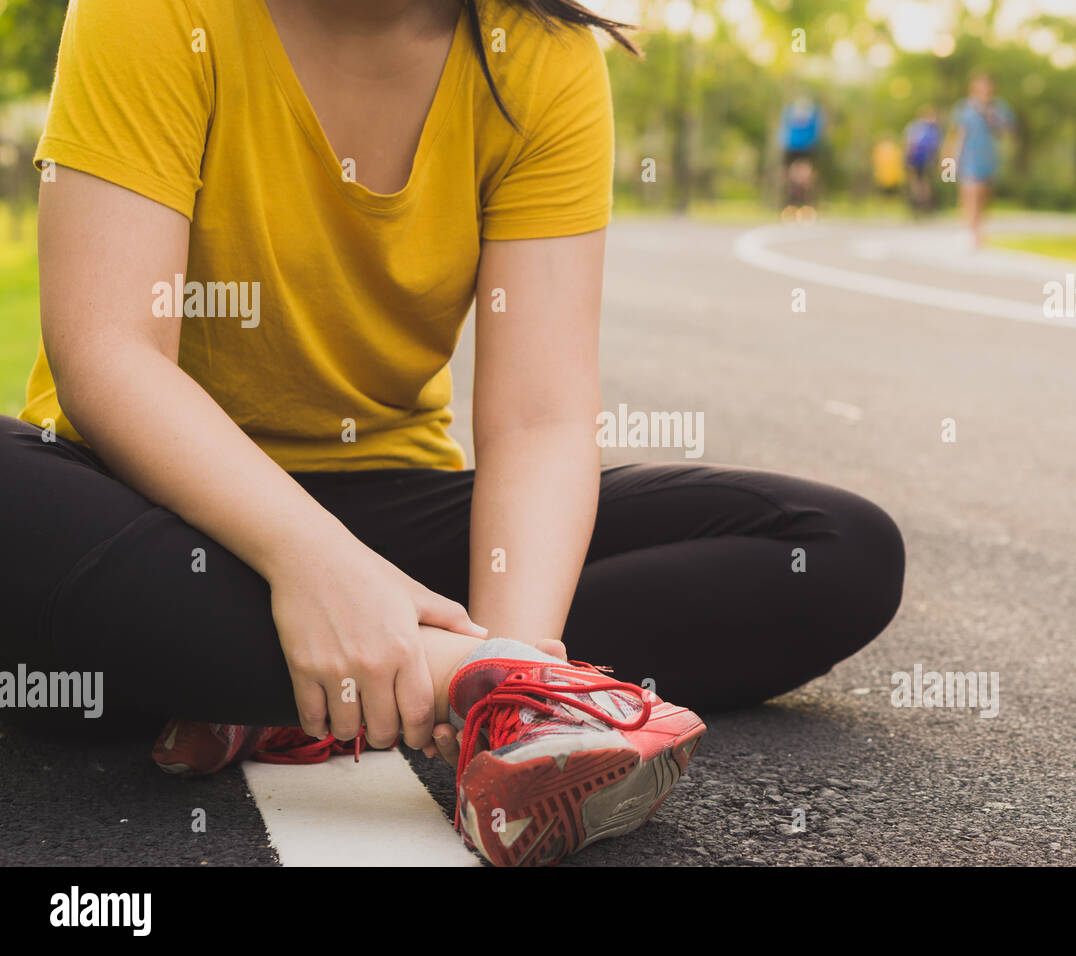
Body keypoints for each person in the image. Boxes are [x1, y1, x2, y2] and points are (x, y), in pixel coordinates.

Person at [0, 0, 905, 867]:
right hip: (145, 506)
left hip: (386, 522)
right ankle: (430, 676)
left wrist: (516, 658)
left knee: (834, 548)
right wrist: (317, 570)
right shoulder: (151, 8)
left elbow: (539, 417)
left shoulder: (540, 56)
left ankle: (343, 682)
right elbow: (110, 353)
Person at [947, 73, 1015, 248]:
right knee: (971, 193)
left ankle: (977, 228)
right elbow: (958, 135)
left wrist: (990, 115)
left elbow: (1007, 130)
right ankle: (972, 232)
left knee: (984, 196)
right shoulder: (964, 108)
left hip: (989, 157)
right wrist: (952, 160)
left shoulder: (998, 107)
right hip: (969, 157)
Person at [778, 96, 825, 221]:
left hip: (807, 149)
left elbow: (818, 130)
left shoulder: (813, 116)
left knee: (805, 178)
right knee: (791, 178)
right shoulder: (789, 112)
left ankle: (805, 206)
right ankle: (791, 206)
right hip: (792, 148)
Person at [902, 106, 942, 215]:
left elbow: (907, 143)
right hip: (926, 160)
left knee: (917, 183)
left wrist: (906, 159)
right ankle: (925, 206)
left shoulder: (913, 127)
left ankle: (918, 204)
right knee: (925, 183)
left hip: (914, 160)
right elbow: (936, 147)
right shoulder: (933, 129)